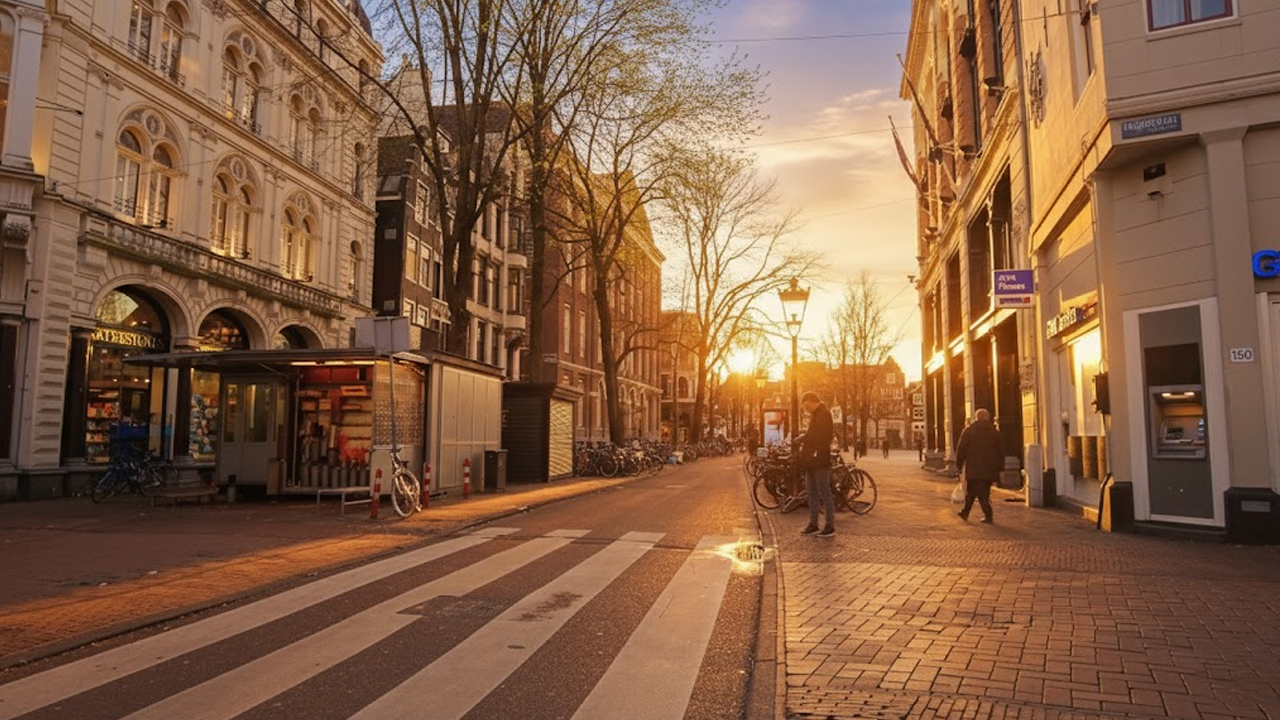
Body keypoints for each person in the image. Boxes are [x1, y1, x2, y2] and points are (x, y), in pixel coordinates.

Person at [797, 391, 837, 538]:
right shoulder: (816, 415)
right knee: (811, 492)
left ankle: (829, 525)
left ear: (812, 401)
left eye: (806, 405)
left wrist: (805, 437)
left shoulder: (824, 414)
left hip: (820, 459)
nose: (806, 409)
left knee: (824, 492)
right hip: (811, 461)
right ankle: (813, 524)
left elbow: (822, 436)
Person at [955, 408, 1004, 524]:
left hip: (974, 467)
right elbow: (1001, 452)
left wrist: (959, 465)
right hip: (990, 469)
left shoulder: (968, 431)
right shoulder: (994, 432)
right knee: (977, 491)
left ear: (976, 418)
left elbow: (961, 450)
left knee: (979, 493)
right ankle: (965, 512)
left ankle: (988, 515)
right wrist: (1000, 468)